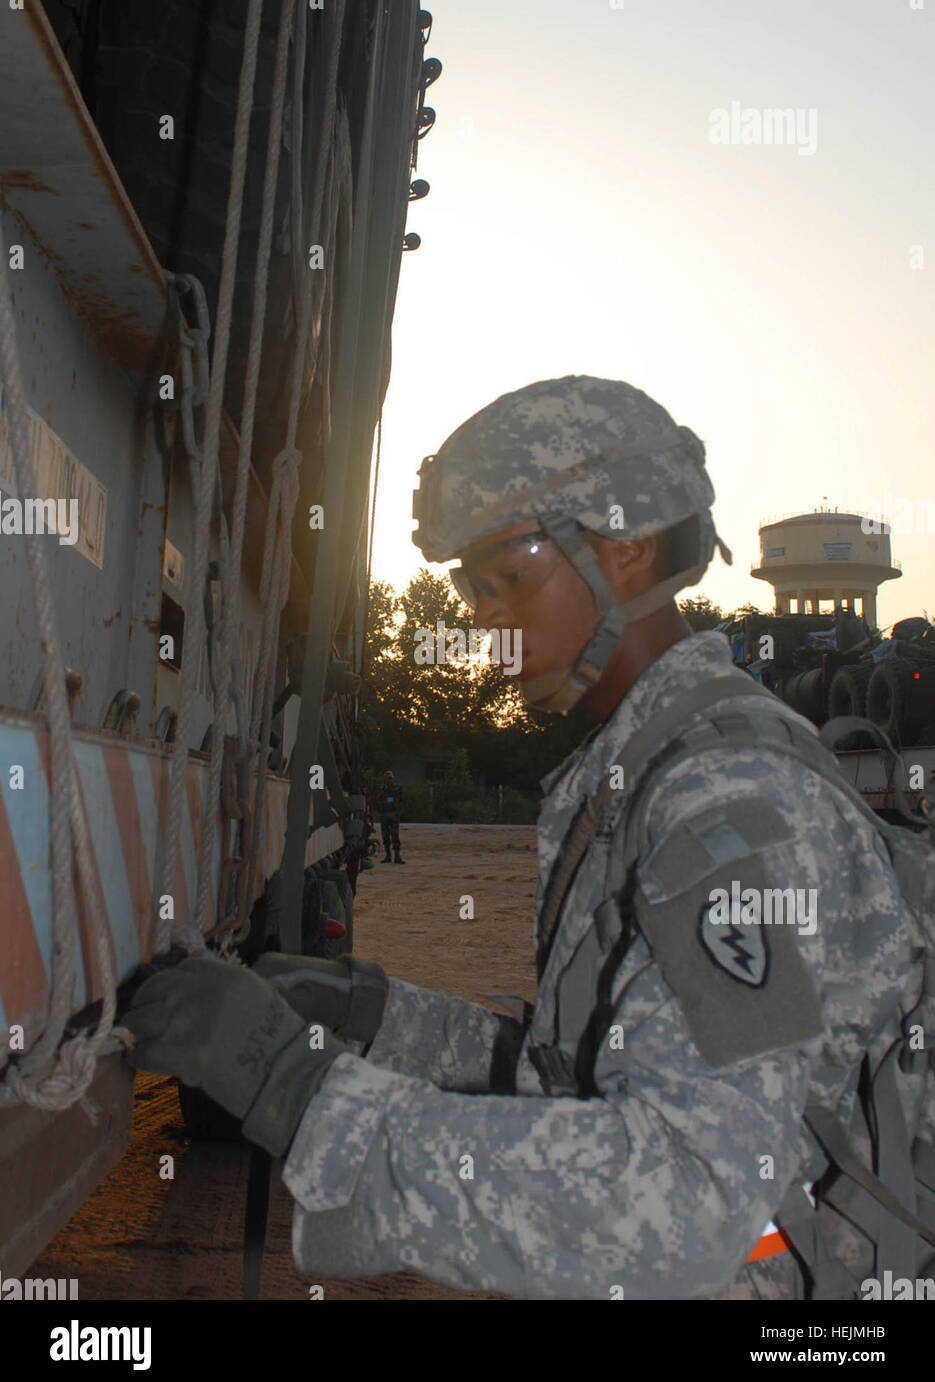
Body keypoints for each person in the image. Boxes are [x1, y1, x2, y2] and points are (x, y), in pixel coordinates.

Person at [122, 376, 927, 1300]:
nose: (479, 619)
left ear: (623, 550)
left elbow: (698, 1203)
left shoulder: (724, 799)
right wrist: (381, 1020)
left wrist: (299, 1094)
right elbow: (590, 1071)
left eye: (507, 575)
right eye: (470, 587)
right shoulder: (651, 764)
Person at [377, 770, 405, 864]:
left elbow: (398, 799)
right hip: (384, 814)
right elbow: (379, 800)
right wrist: (389, 800)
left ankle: (397, 856)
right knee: (385, 837)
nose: (389, 780)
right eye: (387, 778)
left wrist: (388, 800)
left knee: (395, 836)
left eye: (390, 778)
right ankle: (388, 856)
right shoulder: (382, 789)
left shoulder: (397, 788)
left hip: (393, 814)